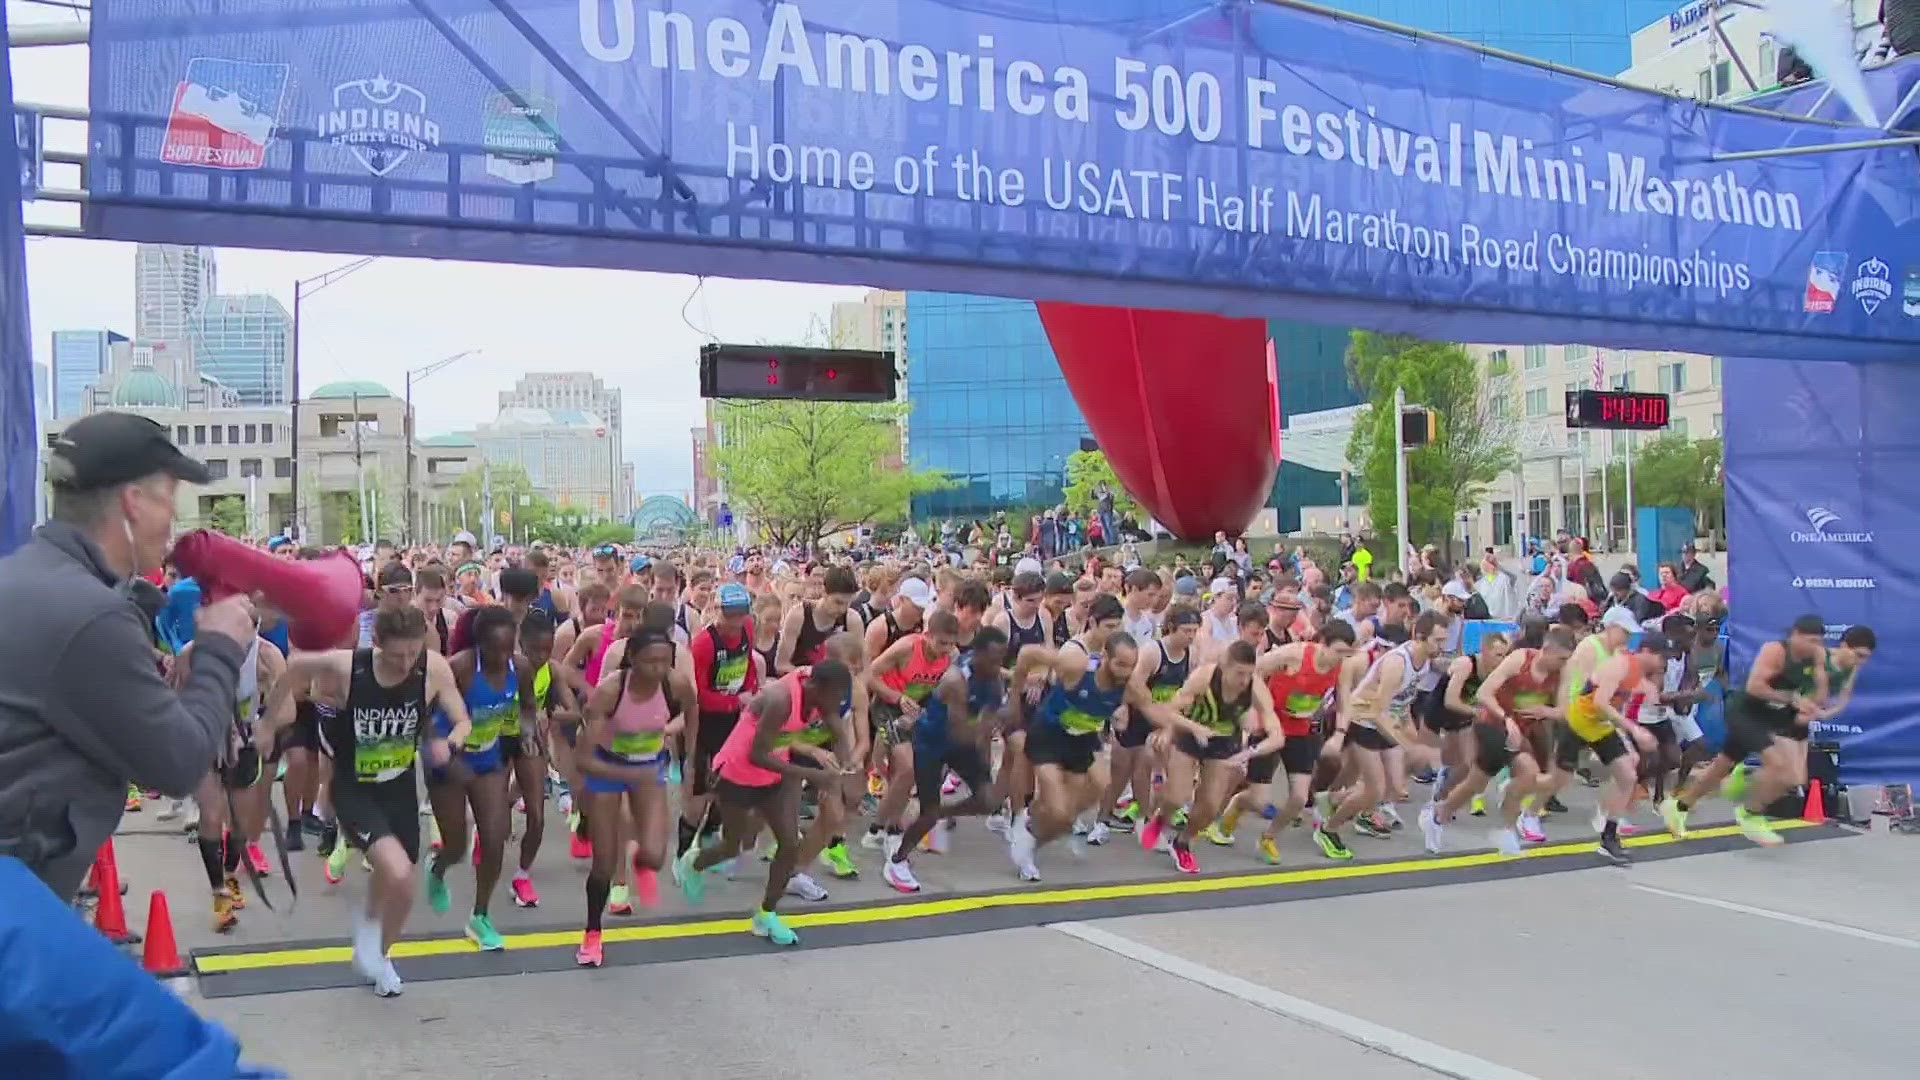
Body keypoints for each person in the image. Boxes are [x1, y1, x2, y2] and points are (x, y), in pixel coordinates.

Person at [0, 412, 258, 900]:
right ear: (133, 503)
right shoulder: (90, 614)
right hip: (17, 906)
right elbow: (179, 765)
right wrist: (221, 649)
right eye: (169, 500)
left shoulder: (31, 576)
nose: (173, 522)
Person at [257, 605, 469, 997]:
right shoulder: (347, 666)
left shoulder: (433, 668)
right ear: (376, 645)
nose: (406, 662)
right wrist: (270, 724)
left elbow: (463, 720)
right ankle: (372, 945)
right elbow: (296, 666)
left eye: (413, 653)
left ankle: (380, 952)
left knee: (399, 883)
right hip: (353, 787)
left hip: (401, 788)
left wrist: (450, 743)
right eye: (396, 654)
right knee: (401, 873)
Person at [673, 662, 856, 948]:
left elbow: (837, 728)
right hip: (737, 773)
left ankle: (766, 914)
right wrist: (814, 775)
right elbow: (758, 754)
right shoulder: (780, 699)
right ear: (817, 689)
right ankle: (693, 863)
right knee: (733, 846)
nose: (838, 703)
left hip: (774, 774)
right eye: (836, 696)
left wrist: (842, 768)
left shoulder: (821, 692)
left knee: (788, 844)